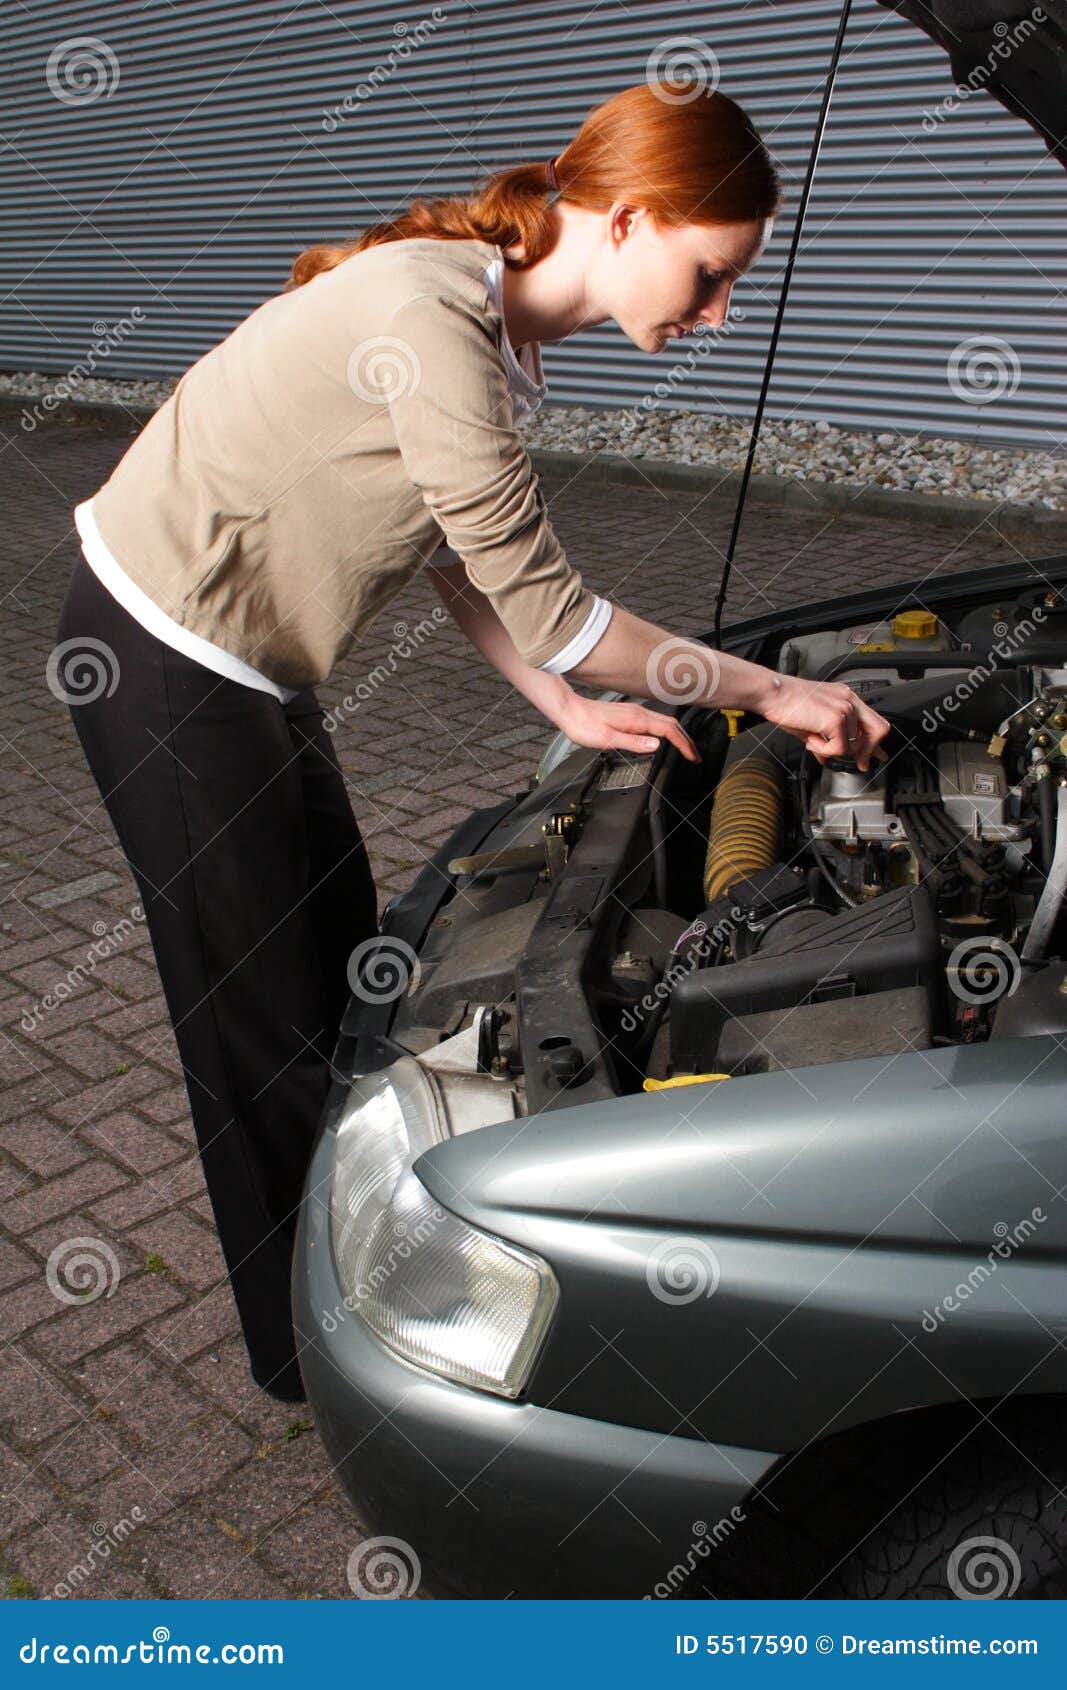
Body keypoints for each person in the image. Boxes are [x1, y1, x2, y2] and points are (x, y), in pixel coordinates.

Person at [55, 79, 890, 1403]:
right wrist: (772, 695)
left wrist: (555, 702)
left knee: (338, 970)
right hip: (162, 654)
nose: (719, 311)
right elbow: (563, 610)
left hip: (245, 667)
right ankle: (308, 1364)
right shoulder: (435, 317)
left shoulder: (492, 326)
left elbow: (447, 532)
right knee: (259, 1026)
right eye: (711, 273)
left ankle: (369, 1275)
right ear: (628, 220)